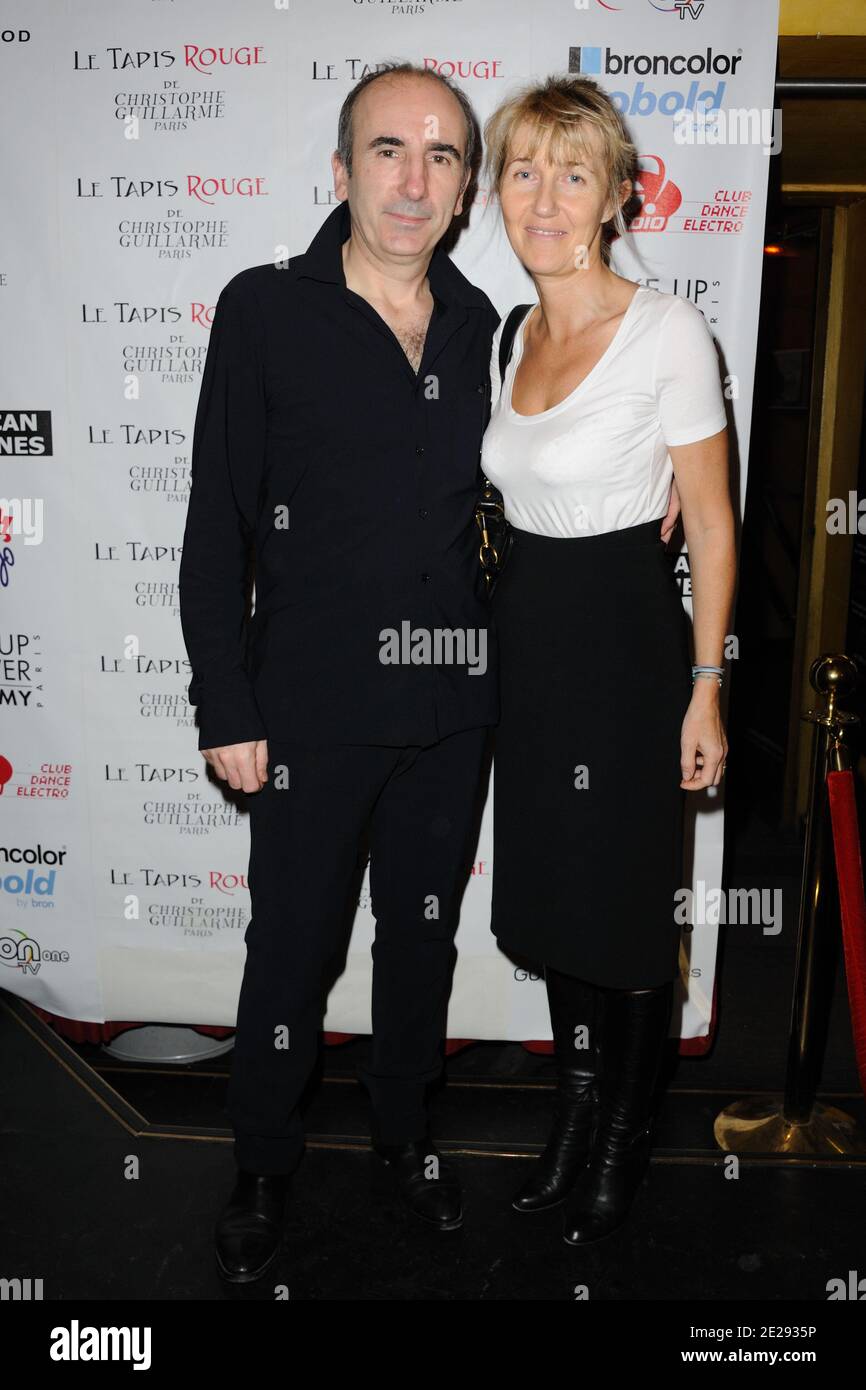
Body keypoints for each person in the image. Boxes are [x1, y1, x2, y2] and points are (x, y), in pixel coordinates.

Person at [178, 61, 503, 1283]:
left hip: (451, 705)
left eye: (440, 156)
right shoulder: (262, 309)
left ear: (465, 187)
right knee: (293, 946)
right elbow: (217, 527)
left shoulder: (485, 326)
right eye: (387, 150)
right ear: (339, 169)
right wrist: (226, 700)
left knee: (420, 942)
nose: (412, 180)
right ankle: (264, 1159)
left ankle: (404, 1139)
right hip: (308, 709)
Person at [480, 75, 736, 1245]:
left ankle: (622, 1140)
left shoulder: (668, 330)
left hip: (630, 656)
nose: (541, 196)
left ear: (612, 198)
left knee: (624, 916)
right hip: (529, 657)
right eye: (521, 169)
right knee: (555, 908)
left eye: (569, 173)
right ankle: (572, 1117)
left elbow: (711, 523)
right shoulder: (506, 333)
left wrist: (703, 688)